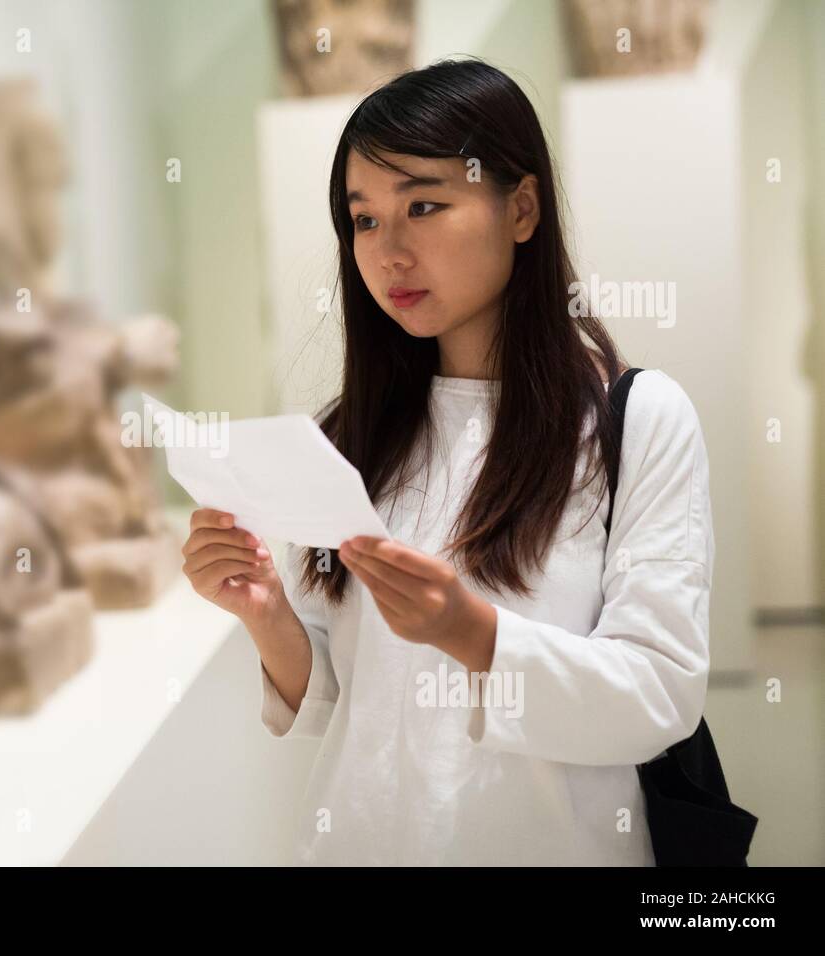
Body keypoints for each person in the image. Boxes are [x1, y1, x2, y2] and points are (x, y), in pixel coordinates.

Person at [180, 58, 713, 865]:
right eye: (363, 220)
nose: (388, 251)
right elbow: (328, 695)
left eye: (423, 206)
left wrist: (473, 633)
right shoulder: (348, 434)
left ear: (521, 208)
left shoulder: (635, 420)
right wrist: (265, 612)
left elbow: (658, 694)